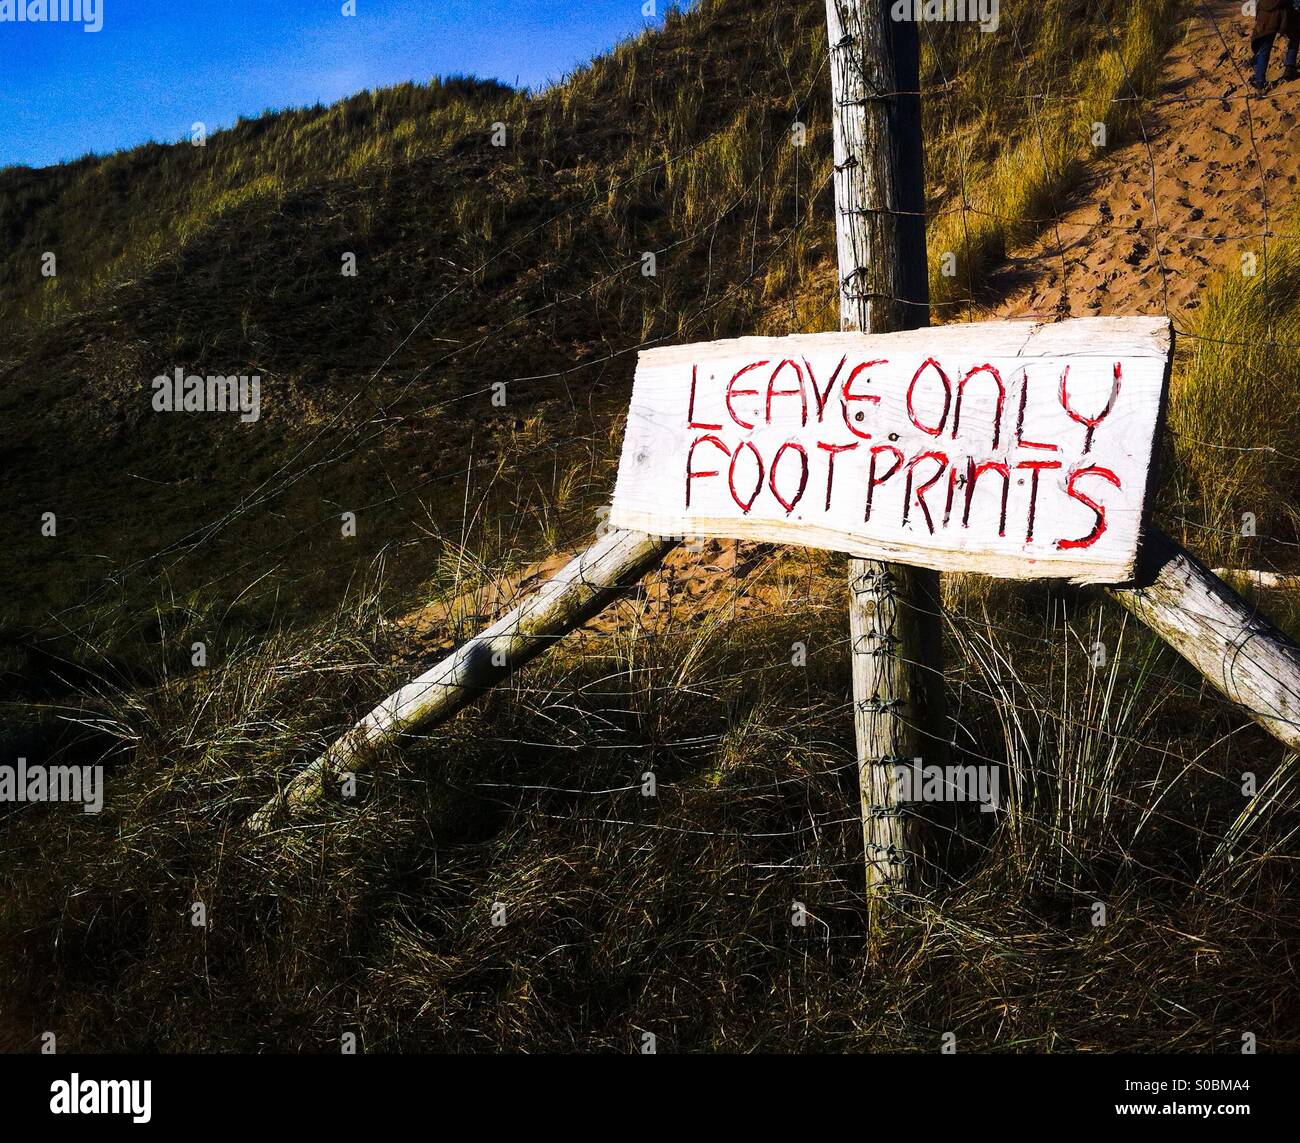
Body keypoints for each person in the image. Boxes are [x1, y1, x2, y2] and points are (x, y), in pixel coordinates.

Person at [1251, 0, 1300, 90]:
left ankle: (1259, 82)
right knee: (1295, 36)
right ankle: (1289, 68)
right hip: (1283, 15)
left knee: (1264, 49)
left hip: (1266, 17)